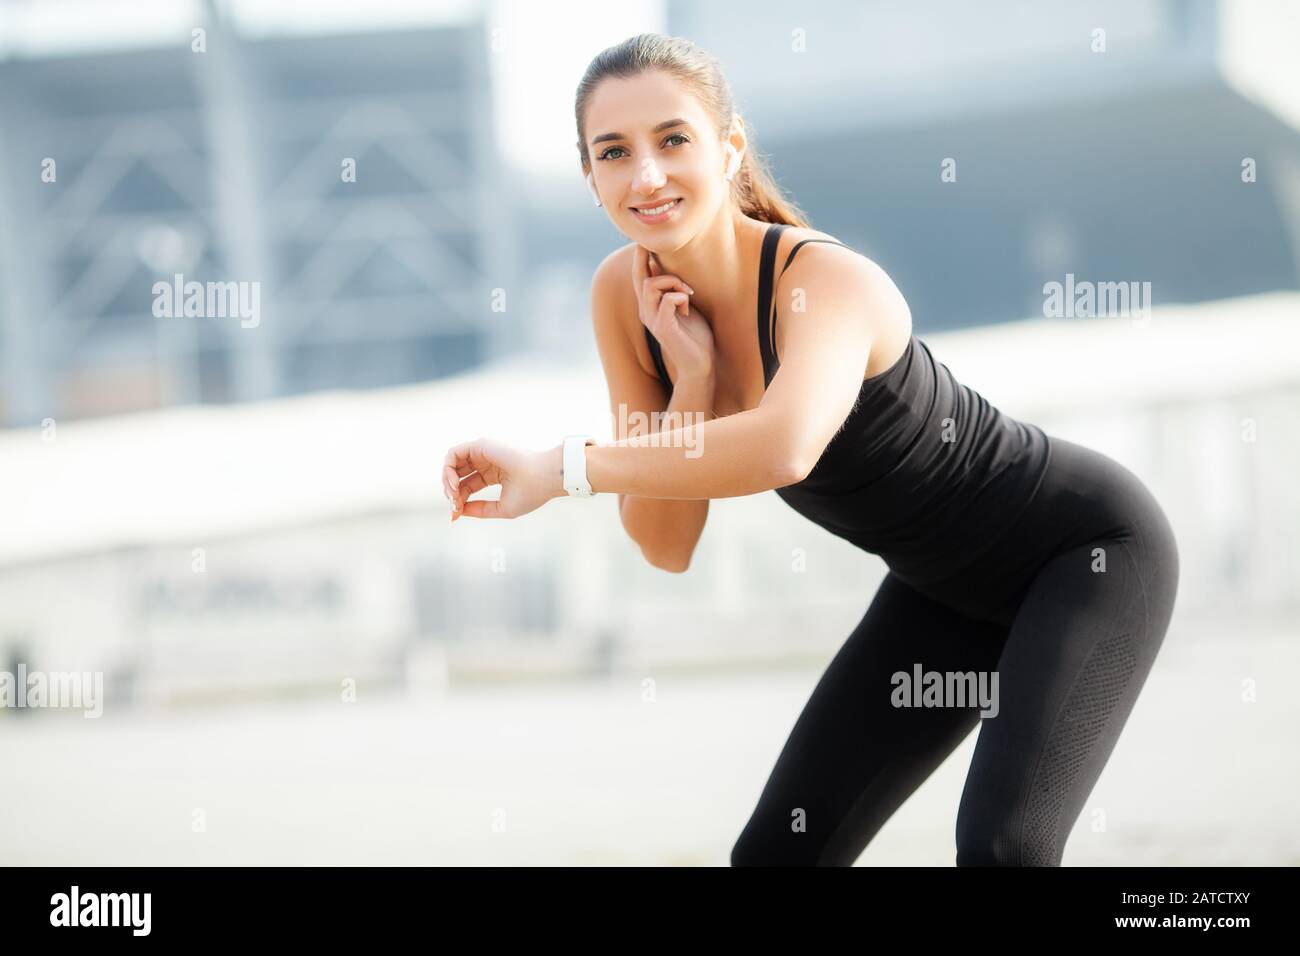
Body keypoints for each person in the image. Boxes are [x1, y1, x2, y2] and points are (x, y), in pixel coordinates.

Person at [442, 33, 1179, 866]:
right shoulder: (625, 296)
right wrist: (690, 383)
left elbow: (785, 447)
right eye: (614, 152)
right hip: (943, 593)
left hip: (1083, 554)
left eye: (673, 140)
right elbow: (664, 543)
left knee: (1005, 846)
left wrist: (559, 470)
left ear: (729, 149)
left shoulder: (824, 284)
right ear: (590, 176)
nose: (645, 175)